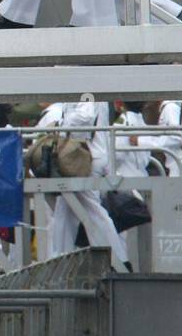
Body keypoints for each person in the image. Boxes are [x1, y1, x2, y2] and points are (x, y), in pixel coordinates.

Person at [36, 99, 128, 264]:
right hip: (82, 155)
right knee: (64, 212)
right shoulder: (79, 85)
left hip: (86, 156)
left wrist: (60, 126)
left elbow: (85, 117)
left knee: (91, 210)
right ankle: (58, 260)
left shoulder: (86, 86)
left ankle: (117, 259)